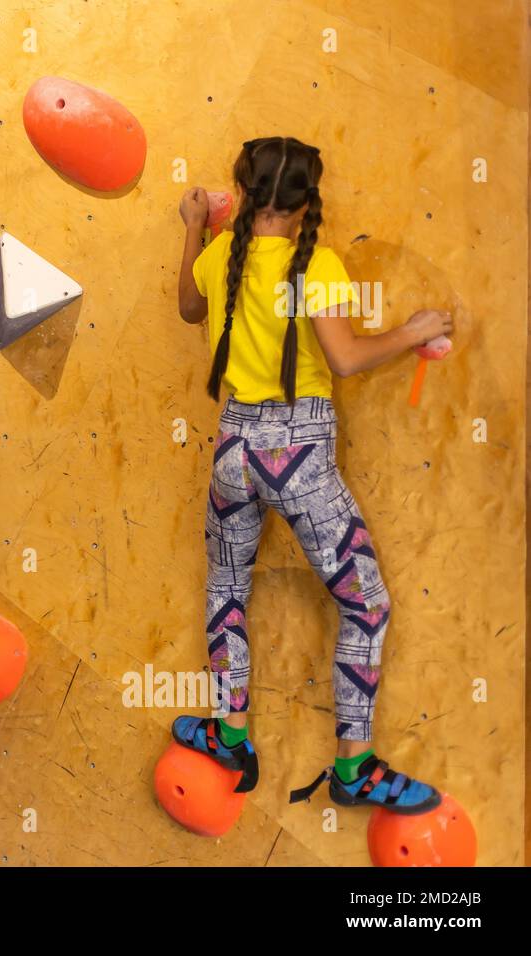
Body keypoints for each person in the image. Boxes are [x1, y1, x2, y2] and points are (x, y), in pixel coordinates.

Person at [172, 136, 454, 813]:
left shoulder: (221, 256)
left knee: (228, 586)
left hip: (234, 451)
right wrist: (414, 332)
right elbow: (348, 358)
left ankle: (230, 732)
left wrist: (190, 229)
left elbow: (187, 307)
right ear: (305, 205)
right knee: (368, 604)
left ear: (240, 196)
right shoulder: (316, 264)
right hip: (295, 460)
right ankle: (353, 765)